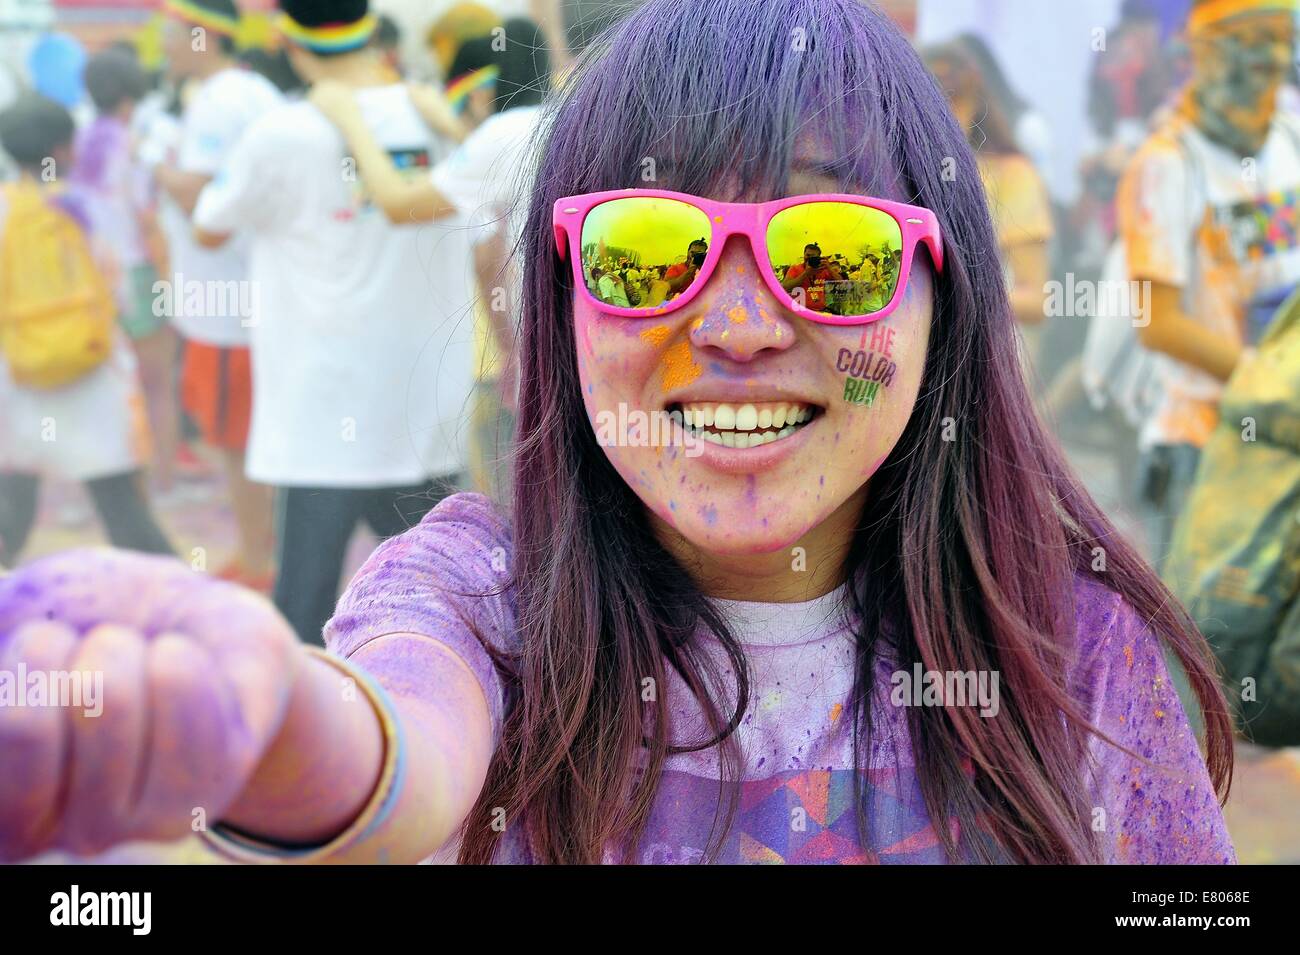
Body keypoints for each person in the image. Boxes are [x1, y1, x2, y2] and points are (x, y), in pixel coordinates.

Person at [0, 0, 1234, 867]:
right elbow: (400, 749)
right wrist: (261, 720)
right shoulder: (487, 594)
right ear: (562, 291)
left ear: (940, 296)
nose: (740, 324)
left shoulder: (1078, 649)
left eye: (834, 255)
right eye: (649, 252)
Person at [189, 0, 473, 646]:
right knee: (437, 611)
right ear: (374, 32)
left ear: (291, 43)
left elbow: (209, 224)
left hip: (320, 415)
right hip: (421, 411)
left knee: (303, 613)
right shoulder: (437, 119)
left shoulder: (278, 132)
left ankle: (308, 742)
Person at [310, 16, 552, 499]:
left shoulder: (500, 133)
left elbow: (403, 206)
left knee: (513, 499)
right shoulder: (558, 120)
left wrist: (351, 122)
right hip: (580, 343)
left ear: (481, 92)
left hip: (536, 349)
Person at [1117, 0, 1300, 564]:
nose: (1268, 58)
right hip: (1200, 442)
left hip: (1279, 437)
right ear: (1203, 52)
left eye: (1278, 39)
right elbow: (1157, 324)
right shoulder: (1167, 164)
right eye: (1248, 41)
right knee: (1199, 633)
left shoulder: (1289, 139)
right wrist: (1267, 383)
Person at [0, 93, 173, 566]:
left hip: (18, 381)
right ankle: (178, 596)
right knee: (121, 506)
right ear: (64, 149)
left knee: (11, 502)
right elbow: (119, 292)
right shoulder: (86, 209)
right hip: (93, 376)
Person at [150, 0, 283, 590]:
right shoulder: (249, 91)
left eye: (171, 29)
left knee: (234, 443)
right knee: (246, 438)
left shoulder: (218, 99)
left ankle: (256, 561)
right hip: (245, 300)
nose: (164, 41)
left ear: (201, 34)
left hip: (227, 308)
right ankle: (261, 546)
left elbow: (197, 202)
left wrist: (155, 164)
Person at [72, 49, 182, 498]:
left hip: (87, 279)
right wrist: (169, 281)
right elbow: (148, 219)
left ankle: (100, 490)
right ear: (131, 93)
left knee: (97, 389)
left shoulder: (73, 142)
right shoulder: (135, 146)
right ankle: (165, 483)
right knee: (158, 385)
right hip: (136, 274)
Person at [781, 243, 844, 312]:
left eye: (813, 256)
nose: (809, 258)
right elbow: (785, 287)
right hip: (800, 311)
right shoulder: (795, 269)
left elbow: (841, 283)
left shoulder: (823, 269)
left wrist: (829, 268)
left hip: (821, 310)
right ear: (803, 254)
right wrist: (806, 273)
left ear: (818, 257)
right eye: (807, 255)